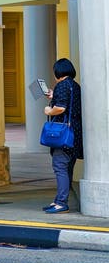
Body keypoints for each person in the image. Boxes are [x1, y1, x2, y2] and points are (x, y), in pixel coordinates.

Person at [42, 57, 83, 214]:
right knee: (67, 167)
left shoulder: (61, 85)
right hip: (75, 133)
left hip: (63, 134)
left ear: (58, 72)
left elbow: (60, 108)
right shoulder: (75, 86)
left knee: (59, 166)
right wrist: (54, 96)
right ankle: (60, 199)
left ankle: (61, 203)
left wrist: (49, 110)